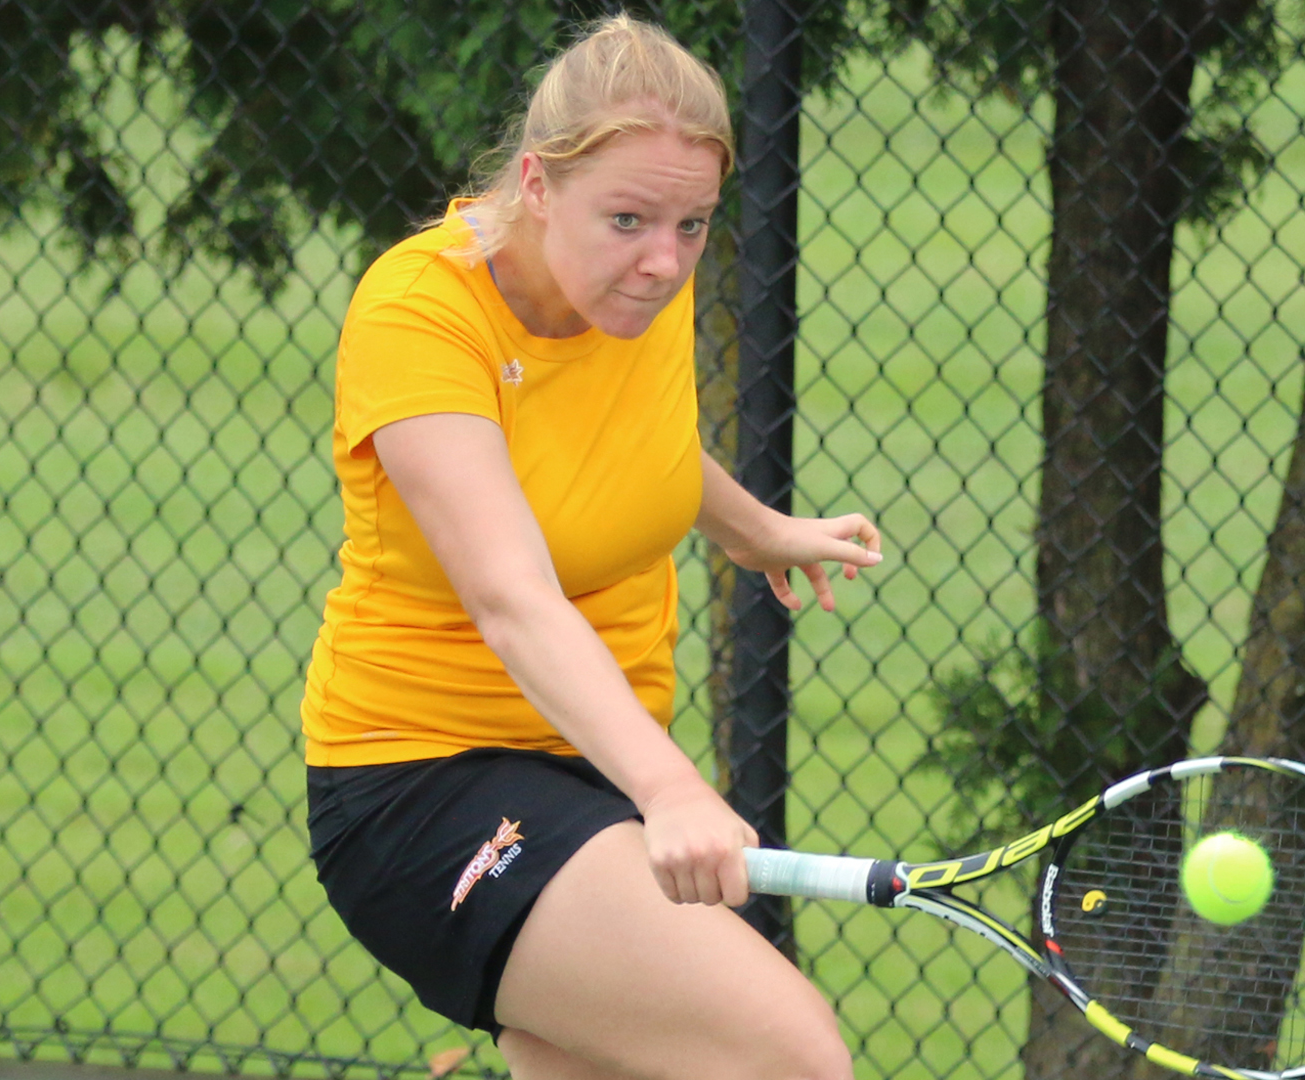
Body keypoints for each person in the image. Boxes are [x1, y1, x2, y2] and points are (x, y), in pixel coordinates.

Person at [300, 15, 879, 1080]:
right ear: (535, 183)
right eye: (629, 218)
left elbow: (627, 444)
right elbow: (511, 594)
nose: (663, 260)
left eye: (694, 224)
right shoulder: (420, 314)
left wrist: (757, 531)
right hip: (419, 783)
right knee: (790, 1056)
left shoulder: (636, 276)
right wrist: (672, 791)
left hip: (587, 771)